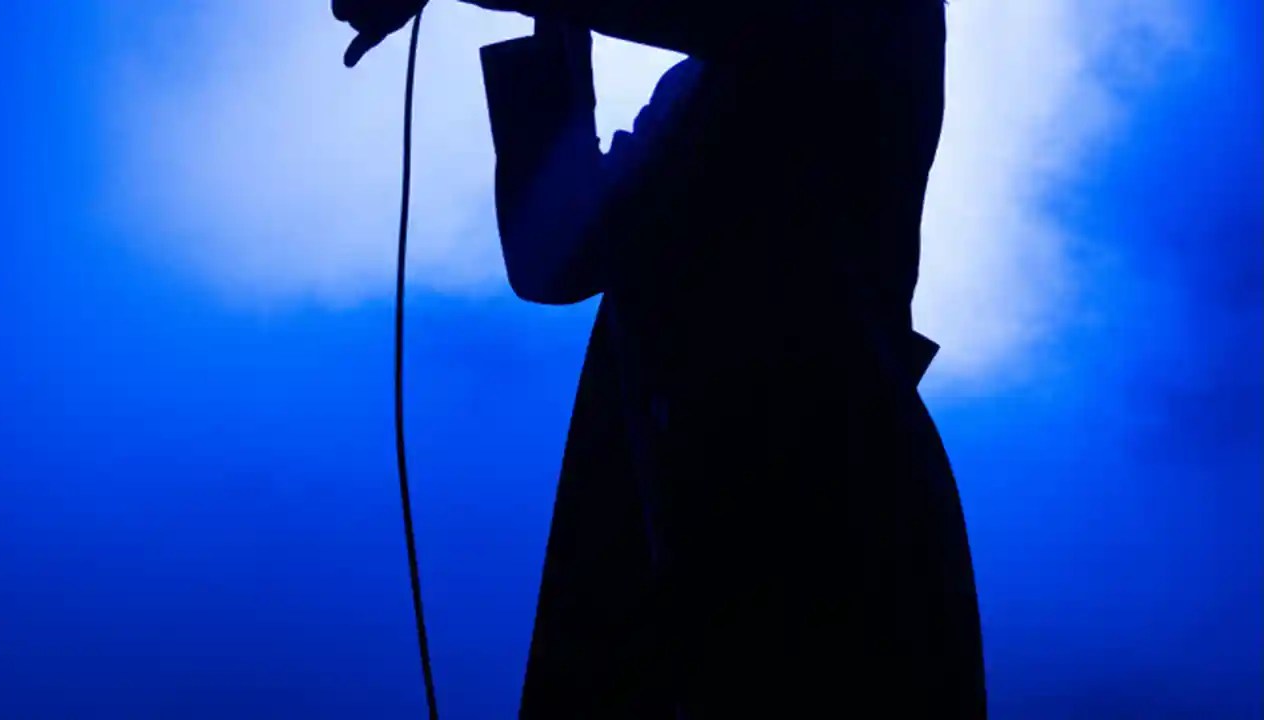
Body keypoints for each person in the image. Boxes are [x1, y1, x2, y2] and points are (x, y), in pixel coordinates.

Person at [333, 0, 986, 717]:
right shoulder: (691, 88)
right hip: (648, 519)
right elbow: (556, 258)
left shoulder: (872, 17)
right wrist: (561, 33)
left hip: (818, 498)